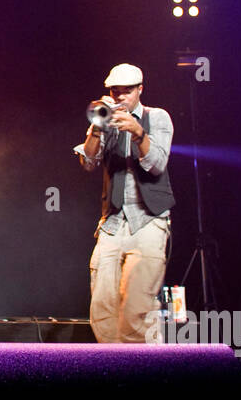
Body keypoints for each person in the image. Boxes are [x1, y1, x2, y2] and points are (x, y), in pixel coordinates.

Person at [74, 63, 175, 343]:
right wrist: (97, 127)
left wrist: (136, 131)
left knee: (137, 308)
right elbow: (88, 163)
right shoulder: (105, 120)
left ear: (140, 90)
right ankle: (113, 367)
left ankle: (144, 369)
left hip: (148, 220)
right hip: (113, 222)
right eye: (114, 92)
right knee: (102, 306)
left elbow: (157, 165)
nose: (119, 98)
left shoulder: (158, 118)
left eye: (126, 92)